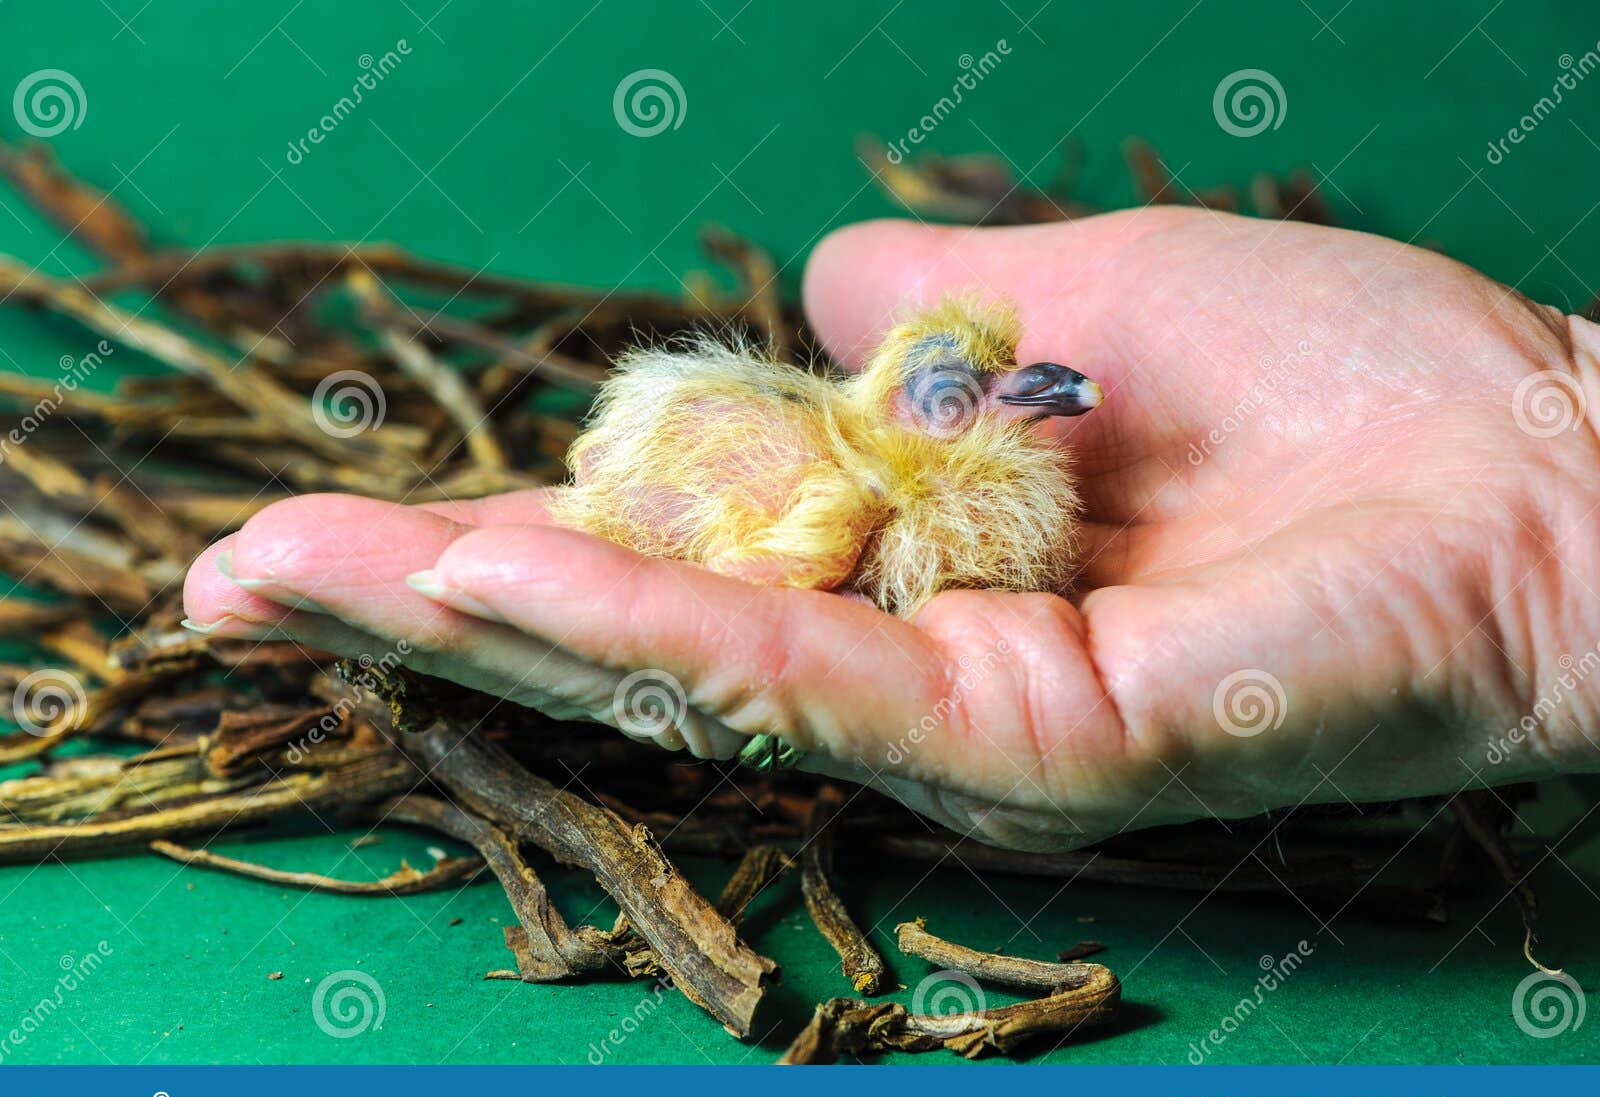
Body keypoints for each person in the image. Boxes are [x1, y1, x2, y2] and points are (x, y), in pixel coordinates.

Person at [182, 207, 1600, 851]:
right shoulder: (865, 486)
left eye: (995, 381)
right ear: (895, 399)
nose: (1005, 400)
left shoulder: (964, 450)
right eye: (957, 390)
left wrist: (1557, 476)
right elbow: (777, 552)